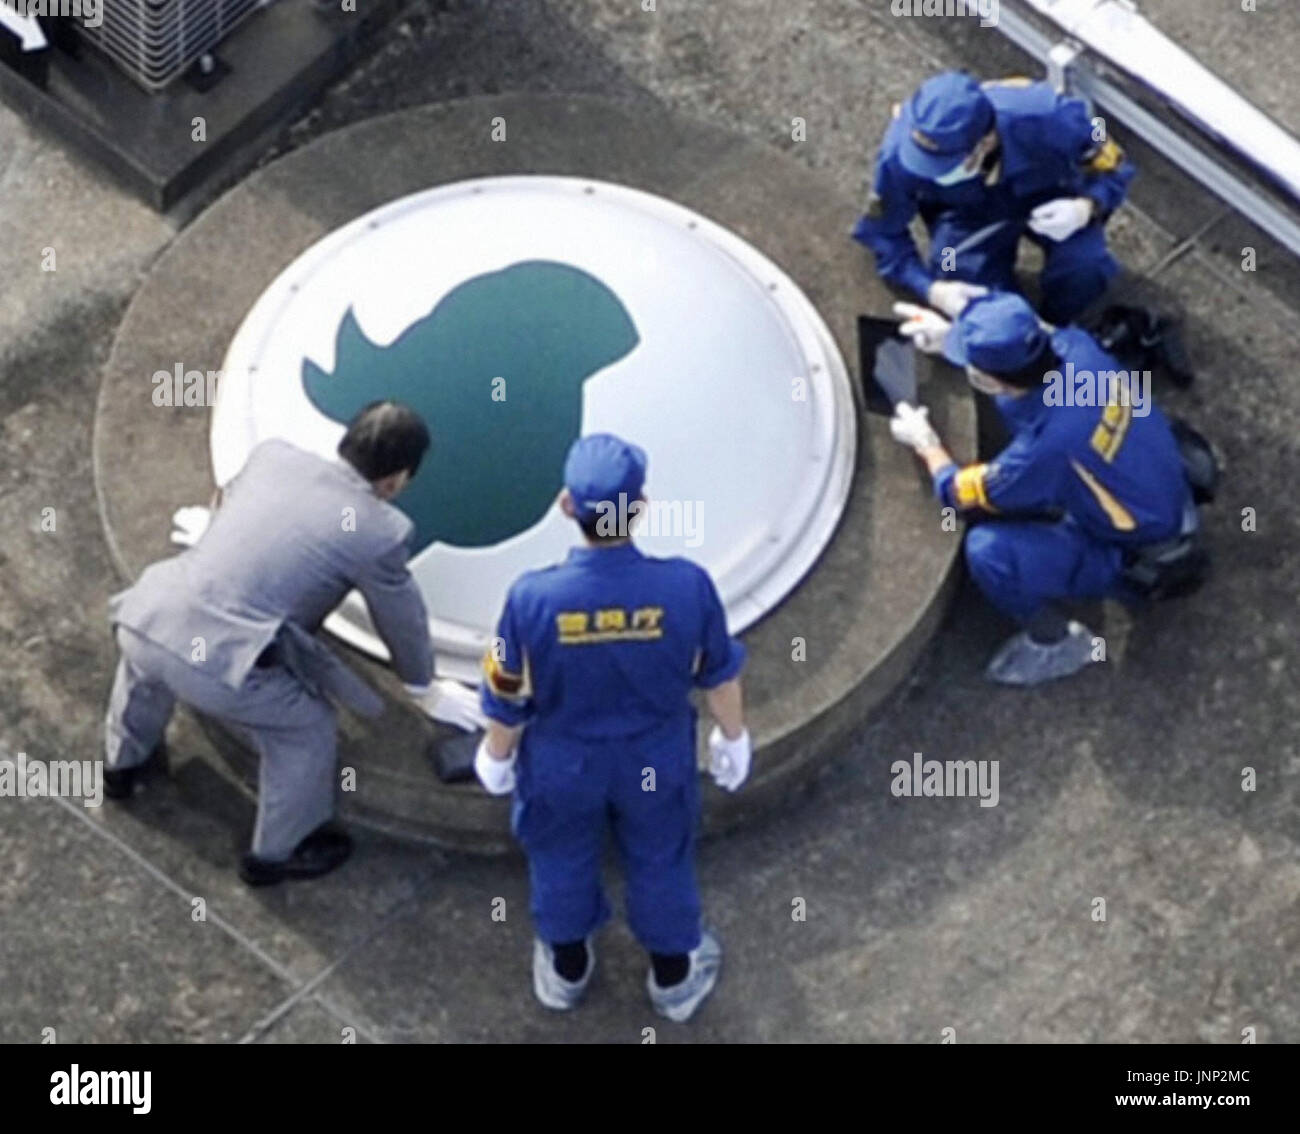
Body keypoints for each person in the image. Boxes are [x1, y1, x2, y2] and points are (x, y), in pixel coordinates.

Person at [103, 401, 436, 885]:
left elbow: (224, 506)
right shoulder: (378, 530)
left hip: (147, 612)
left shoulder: (274, 457)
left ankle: (121, 766)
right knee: (306, 729)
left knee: (146, 668)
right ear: (397, 479)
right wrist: (421, 682)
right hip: (219, 667)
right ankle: (280, 851)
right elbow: (402, 620)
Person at [476, 434, 749, 1022]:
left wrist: (497, 756)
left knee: (560, 856)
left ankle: (567, 971)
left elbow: (505, 687)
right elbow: (719, 674)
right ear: (642, 506)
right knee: (660, 856)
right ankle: (674, 982)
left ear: (567, 506)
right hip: (653, 760)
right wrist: (733, 737)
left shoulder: (530, 597)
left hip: (563, 764)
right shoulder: (687, 586)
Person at [888, 292, 1201, 685]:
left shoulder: (1043, 453)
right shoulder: (1078, 347)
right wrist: (952, 341)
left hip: (1136, 551)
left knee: (988, 552)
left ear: (987, 377)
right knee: (1027, 418)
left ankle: (1056, 643)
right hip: (1162, 487)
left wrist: (925, 442)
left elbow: (958, 494)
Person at [852, 70, 1136, 327]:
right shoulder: (899, 157)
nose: (932, 172)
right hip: (968, 215)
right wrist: (931, 290)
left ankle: (1060, 324)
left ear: (985, 142)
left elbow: (1117, 166)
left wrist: (1087, 207)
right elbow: (883, 234)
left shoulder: (1048, 115)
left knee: (1086, 267)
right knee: (962, 282)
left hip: (1052, 196)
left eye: (946, 164)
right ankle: (1018, 340)